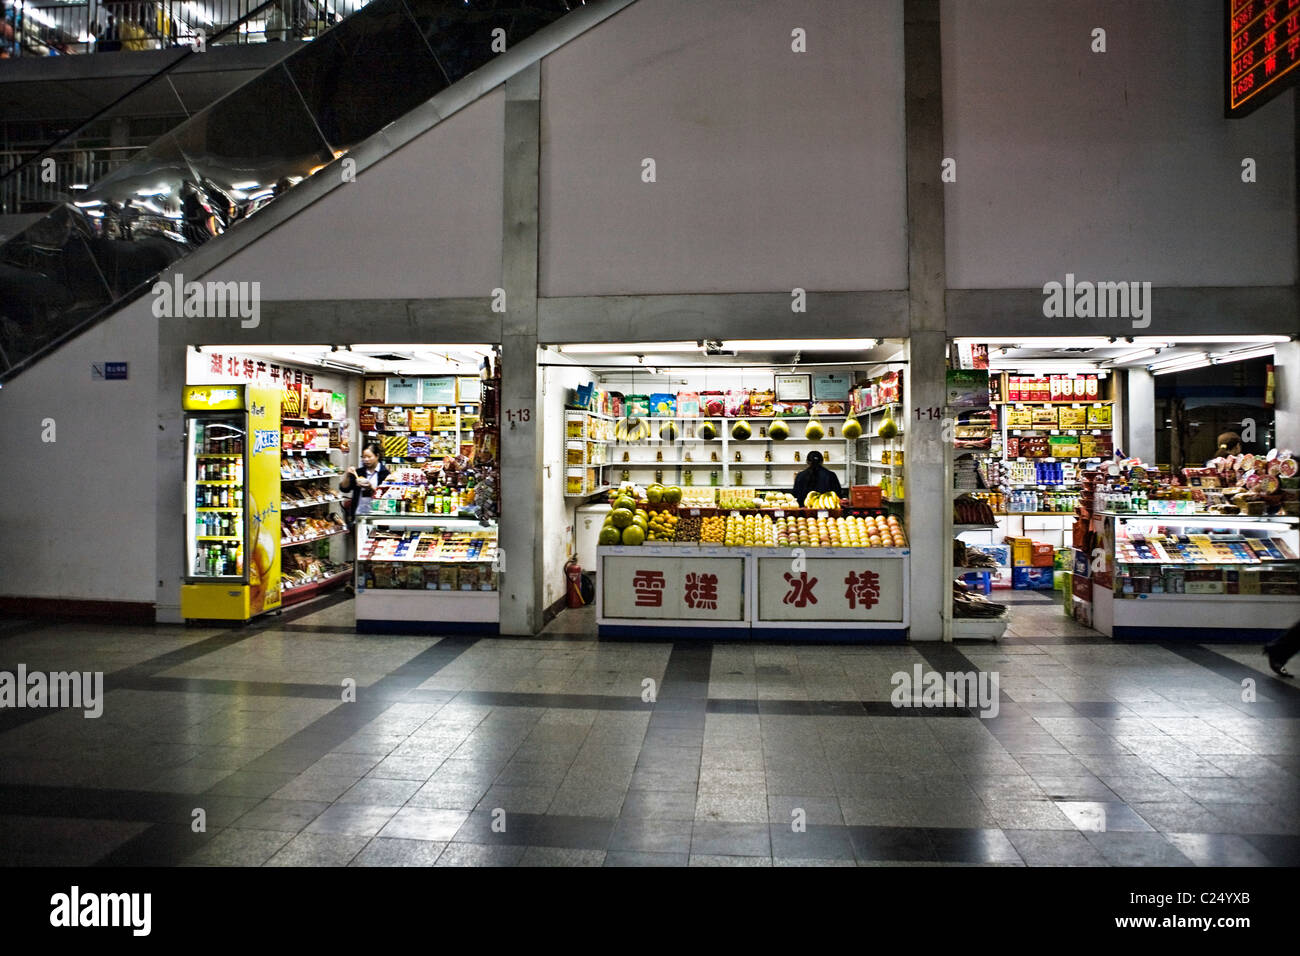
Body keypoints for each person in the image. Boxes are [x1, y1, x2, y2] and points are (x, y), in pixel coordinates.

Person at [340, 442, 388, 524]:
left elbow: (387, 496)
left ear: (377, 456)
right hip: (358, 515)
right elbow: (344, 489)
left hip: (378, 516)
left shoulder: (385, 474)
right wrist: (348, 475)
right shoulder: (359, 472)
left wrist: (371, 488)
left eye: (369, 457)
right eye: (363, 457)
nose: (366, 460)